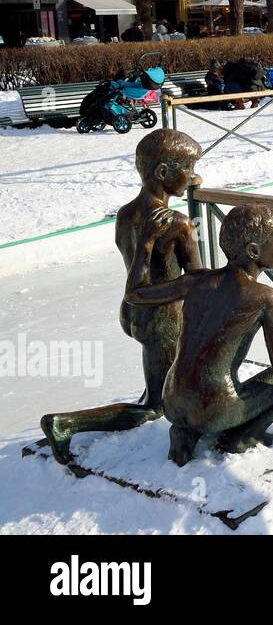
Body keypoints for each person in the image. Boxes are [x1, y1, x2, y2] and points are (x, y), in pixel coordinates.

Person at [123, 203, 273, 465]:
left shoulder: (196, 280)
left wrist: (146, 241)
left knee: (210, 386)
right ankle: (241, 435)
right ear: (253, 250)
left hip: (172, 402)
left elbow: (135, 294)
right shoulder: (267, 298)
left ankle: (185, 431)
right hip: (215, 410)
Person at [40, 131, 204, 465]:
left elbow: (131, 258)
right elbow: (197, 279)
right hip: (164, 317)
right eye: (188, 168)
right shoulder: (178, 224)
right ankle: (67, 423)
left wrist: (187, 177)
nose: (191, 176)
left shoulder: (126, 213)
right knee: (156, 407)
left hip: (132, 313)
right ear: (162, 172)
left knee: (153, 391)